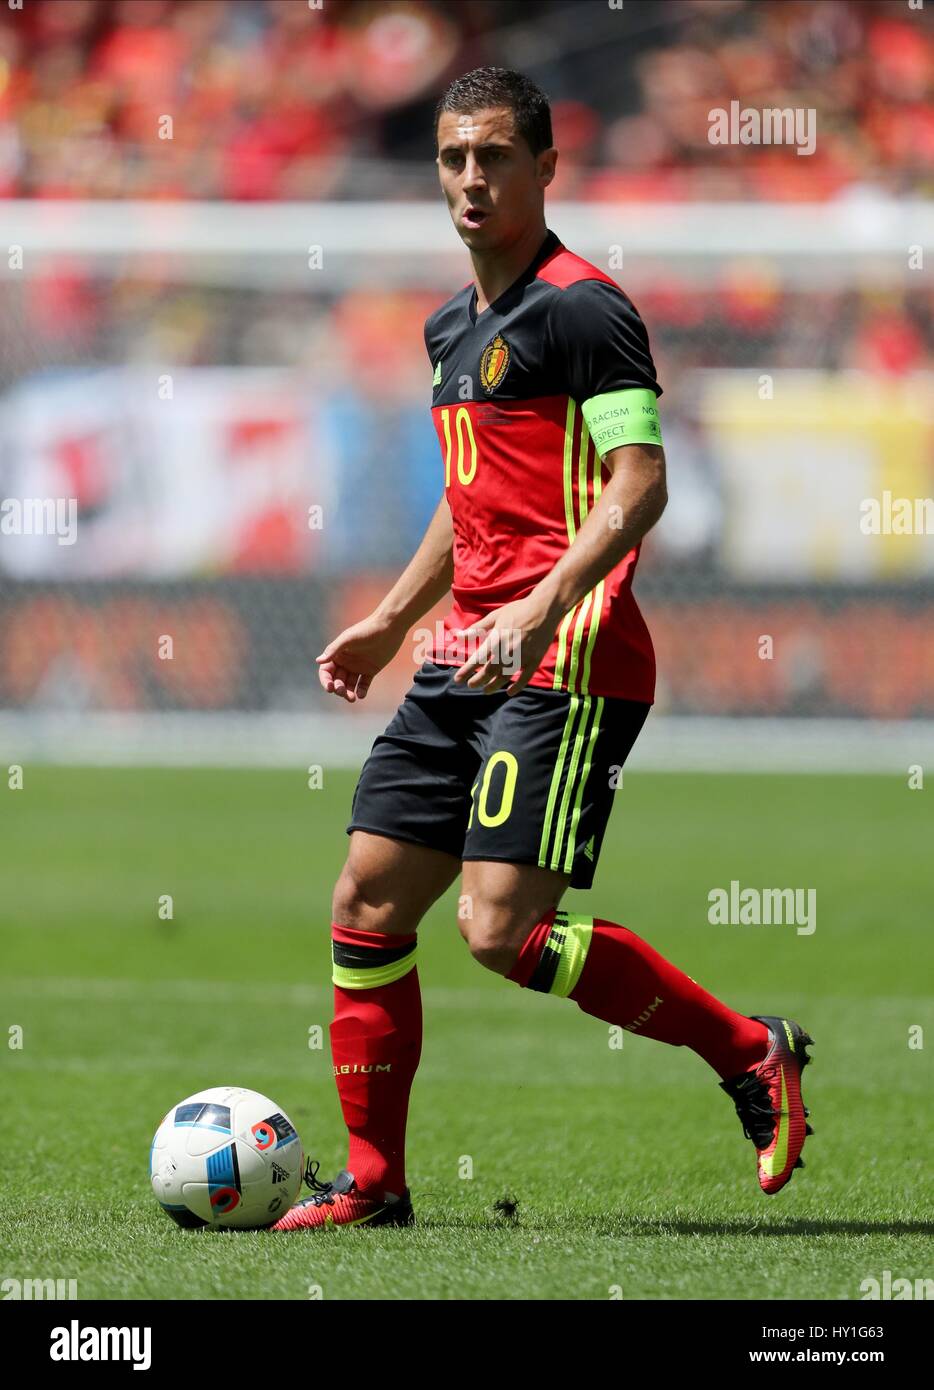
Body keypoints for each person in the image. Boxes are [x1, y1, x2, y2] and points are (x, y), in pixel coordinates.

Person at [273, 67, 813, 1232]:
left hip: (569, 657)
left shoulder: (586, 307)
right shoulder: (447, 325)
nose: (472, 178)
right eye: (454, 157)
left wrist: (535, 608)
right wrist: (393, 617)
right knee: (366, 904)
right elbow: (469, 510)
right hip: (465, 654)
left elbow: (641, 484)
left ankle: (747, 1051)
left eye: (495, 156)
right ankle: (374, 1187)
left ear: (543, 168)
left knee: (496, 929)